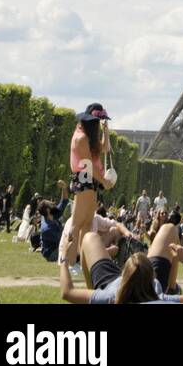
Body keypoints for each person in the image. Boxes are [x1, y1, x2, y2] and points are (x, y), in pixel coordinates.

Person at [60, 224, 183, 305]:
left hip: (110, 283)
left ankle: (91, 294)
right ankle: (171, 287)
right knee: (169, 228)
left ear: (125, 273)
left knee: (89, 237)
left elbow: (67, 292)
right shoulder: (159, 297)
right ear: (153, 276)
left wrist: (64, 260)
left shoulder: (109, 298)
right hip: (131, 284)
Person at [65, 103, 110, 266]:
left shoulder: (86, 136)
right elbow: (87, 165)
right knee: (78, 222)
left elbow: (105, 148)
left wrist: (106, 130)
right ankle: (68, 261)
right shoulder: (82, 138)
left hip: (88, 177)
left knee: (87, 223)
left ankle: (78, 260)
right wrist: (104, 180)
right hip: (84, 177)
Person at [37, 182, 69, 262]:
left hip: (57, 247)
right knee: (73, 249)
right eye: (51, 204)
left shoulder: (51, 216)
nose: (54, 203)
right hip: (52, 253)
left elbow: (63, 202)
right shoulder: (48, 227)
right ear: (48, 210)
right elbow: (63, 239)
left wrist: (64, 187)